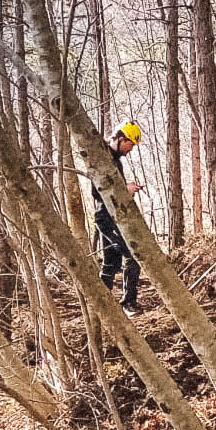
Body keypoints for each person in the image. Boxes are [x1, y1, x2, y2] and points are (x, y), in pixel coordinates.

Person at [93, 121, 145, 314]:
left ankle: (101, 305)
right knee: (132, 256)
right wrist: (125, 189)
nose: (130, 150)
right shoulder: (103, 158)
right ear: (121, 138)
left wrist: (127, 189)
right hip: (106, 219)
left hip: (112, 218)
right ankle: (127, 304)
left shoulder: (115, 160)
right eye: (129, 144)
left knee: (111, 263)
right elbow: (99, 192)